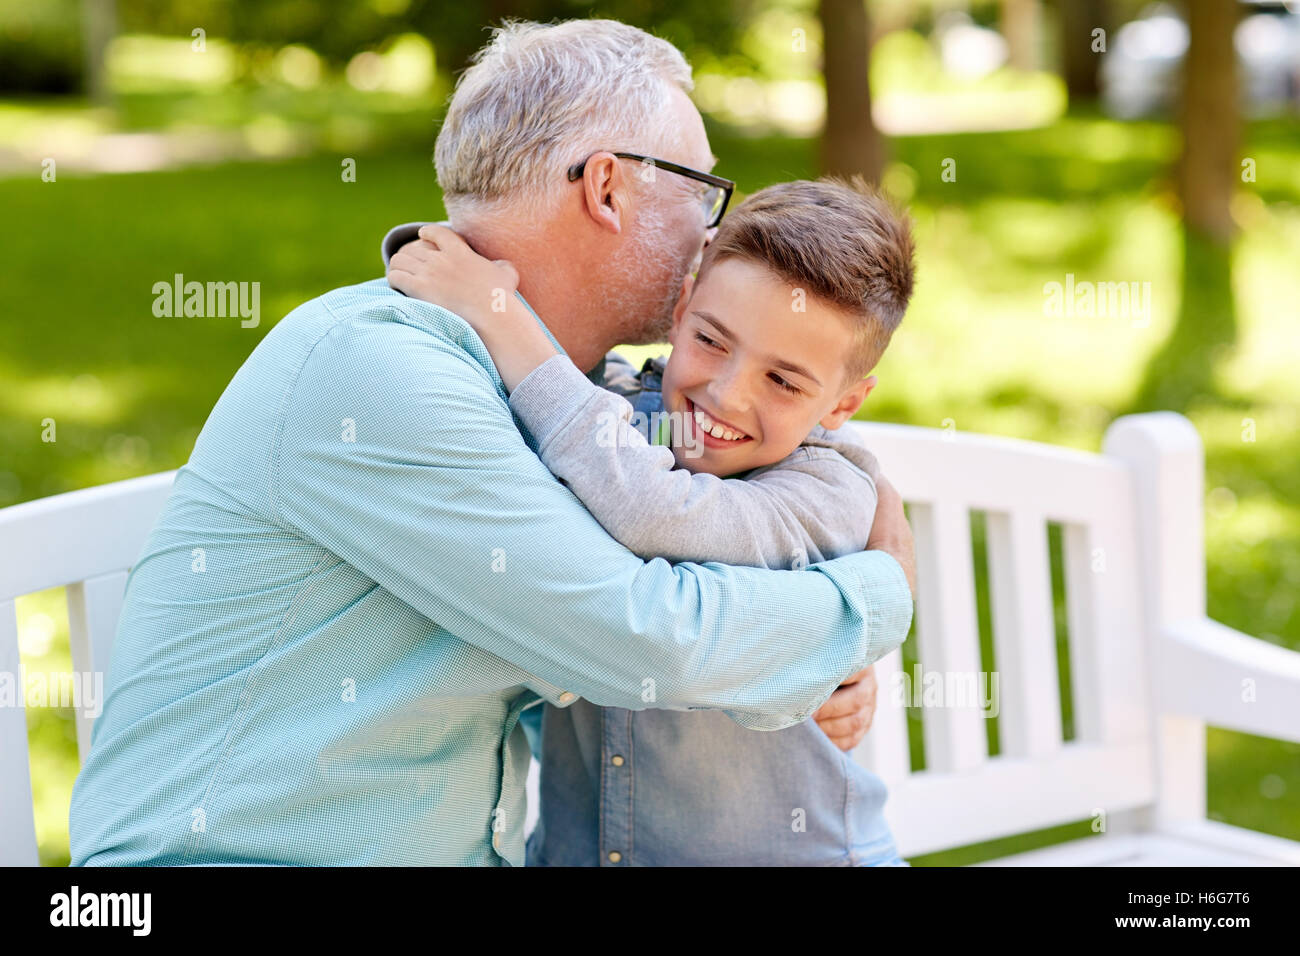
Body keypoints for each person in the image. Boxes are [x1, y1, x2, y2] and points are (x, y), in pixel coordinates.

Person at [68, 19, 916, 867]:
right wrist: (870, 600)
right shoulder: (384, 370)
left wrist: (807, 628)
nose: (707, 232)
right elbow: (645, 640)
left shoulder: (558, 392)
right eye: (701, 188)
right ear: (609, 190)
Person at [385, 176, 916, 866]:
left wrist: (500, 313)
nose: (725, 395)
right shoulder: (617, 405)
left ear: (844, 404)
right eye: (712, 340)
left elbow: (654, 510)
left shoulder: (832, 491)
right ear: (682, 307)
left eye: (783, 382)